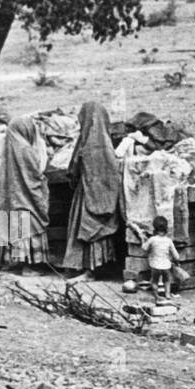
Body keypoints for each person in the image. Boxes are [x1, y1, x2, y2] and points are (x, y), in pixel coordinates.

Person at [61, 100, 120, 272]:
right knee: (93, 230)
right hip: (101, 197)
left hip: (88, 196)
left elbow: (73, 170)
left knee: (86, 229)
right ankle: (93, 268)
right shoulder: (105, 142)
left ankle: (89, 270)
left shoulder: (87, 145)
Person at [0, 116, 49, 270]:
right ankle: (29, 267)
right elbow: (34, 176)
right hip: (27, 202)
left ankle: (16, 262)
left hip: (11, 203)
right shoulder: (26, 150)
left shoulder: (7, 152)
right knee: (29, 227)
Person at [143, 215, 180, 300]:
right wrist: (176, 260)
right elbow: (176, 255)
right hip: (166, 266)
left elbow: (144, 248)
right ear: (166, 228)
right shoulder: (168, 240)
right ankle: (167, 294)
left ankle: (157, 296)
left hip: (155, 266)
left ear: (154, 227)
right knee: (167, 281)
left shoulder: (152, 239)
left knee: (154, 281)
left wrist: (143, 240)